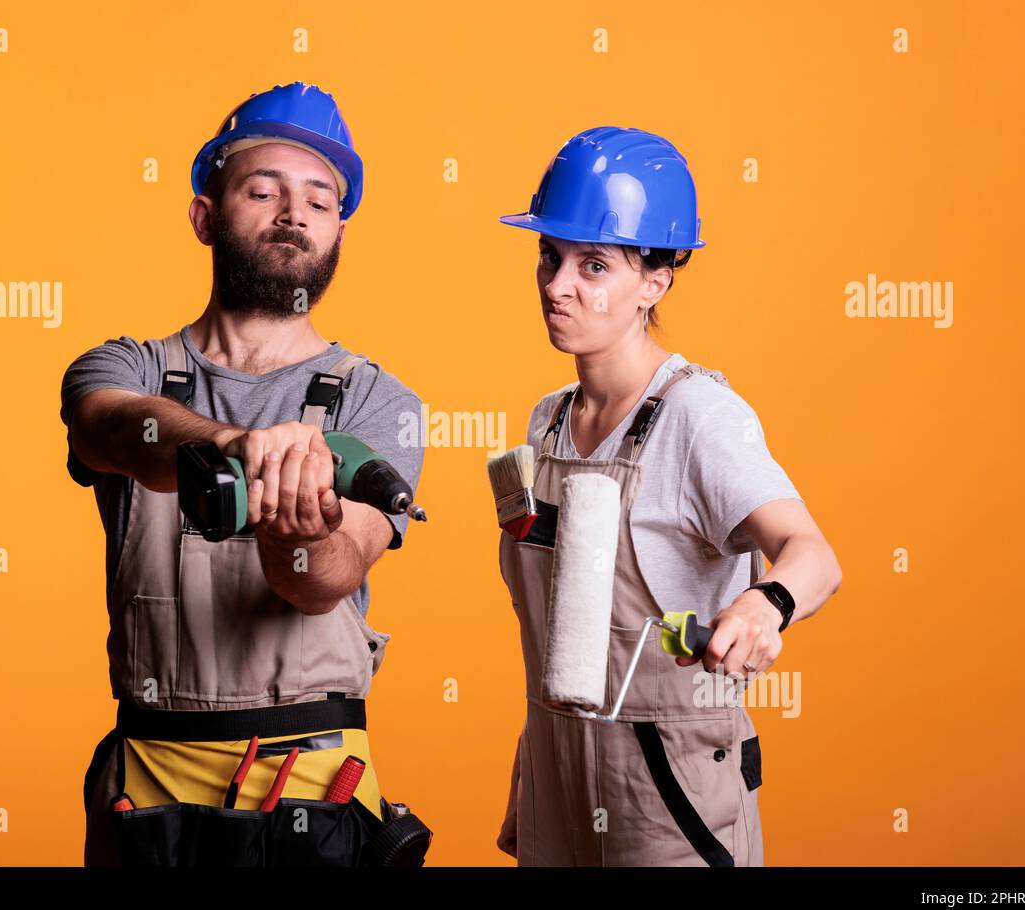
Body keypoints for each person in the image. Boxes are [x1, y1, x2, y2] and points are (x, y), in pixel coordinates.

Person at [60, 82, 425, 865]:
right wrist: (237, 445)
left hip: (311, 786)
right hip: (151, 786)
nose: (293, 213)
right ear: (205, 216)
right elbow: (110, 431)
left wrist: (297, 530)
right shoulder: (127, 367)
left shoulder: (378, 401)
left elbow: (325, 581)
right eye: (264, 191)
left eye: (319, 201)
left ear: (337, 232)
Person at [494, 126, 842, 866]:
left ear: (656, 282)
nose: (559, 286)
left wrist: (764, 604)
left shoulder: (696, 416)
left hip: (666, 785)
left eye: (594, 265)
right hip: (556, 767)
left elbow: (814, 555)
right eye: (549, 258)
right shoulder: (547, 420)